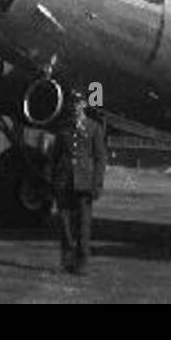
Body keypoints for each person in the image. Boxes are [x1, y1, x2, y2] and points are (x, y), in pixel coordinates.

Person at [47, 90, 107, 274]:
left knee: (83, 225)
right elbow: (54, 156)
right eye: (73, 102)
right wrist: (52, 179)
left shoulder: (94, 128)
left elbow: (100, 158)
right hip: (64, 181)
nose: (75, 106)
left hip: (84, 182)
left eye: (78, 102)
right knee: (64, 225)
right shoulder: (63, 128)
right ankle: (66, 261)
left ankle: (82, 263)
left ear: (84, 105)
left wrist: (97, 184)